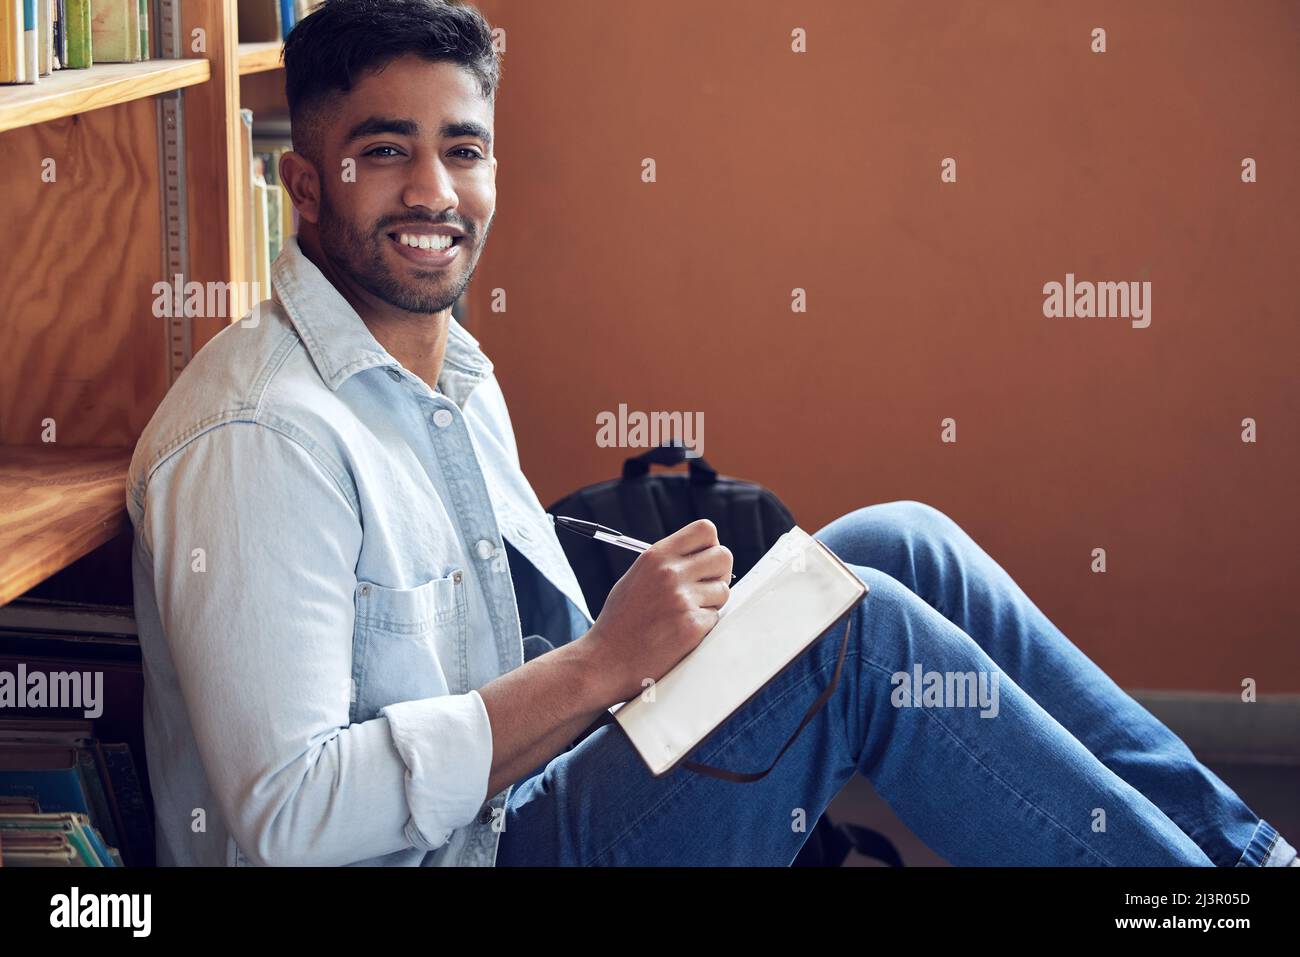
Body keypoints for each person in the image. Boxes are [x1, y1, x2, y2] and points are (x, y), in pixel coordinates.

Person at [126, 0, 1297, 867]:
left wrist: (654, 653)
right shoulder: (261, 440)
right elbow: (282, 821)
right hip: (470, 858)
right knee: (861, 637)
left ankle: (1246, 871)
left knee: (899, 545)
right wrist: (603, 665)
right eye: (385, 151)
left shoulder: (444, 369)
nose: (434, 189)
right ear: (308, 187)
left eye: (463, 148)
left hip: (536, 788)